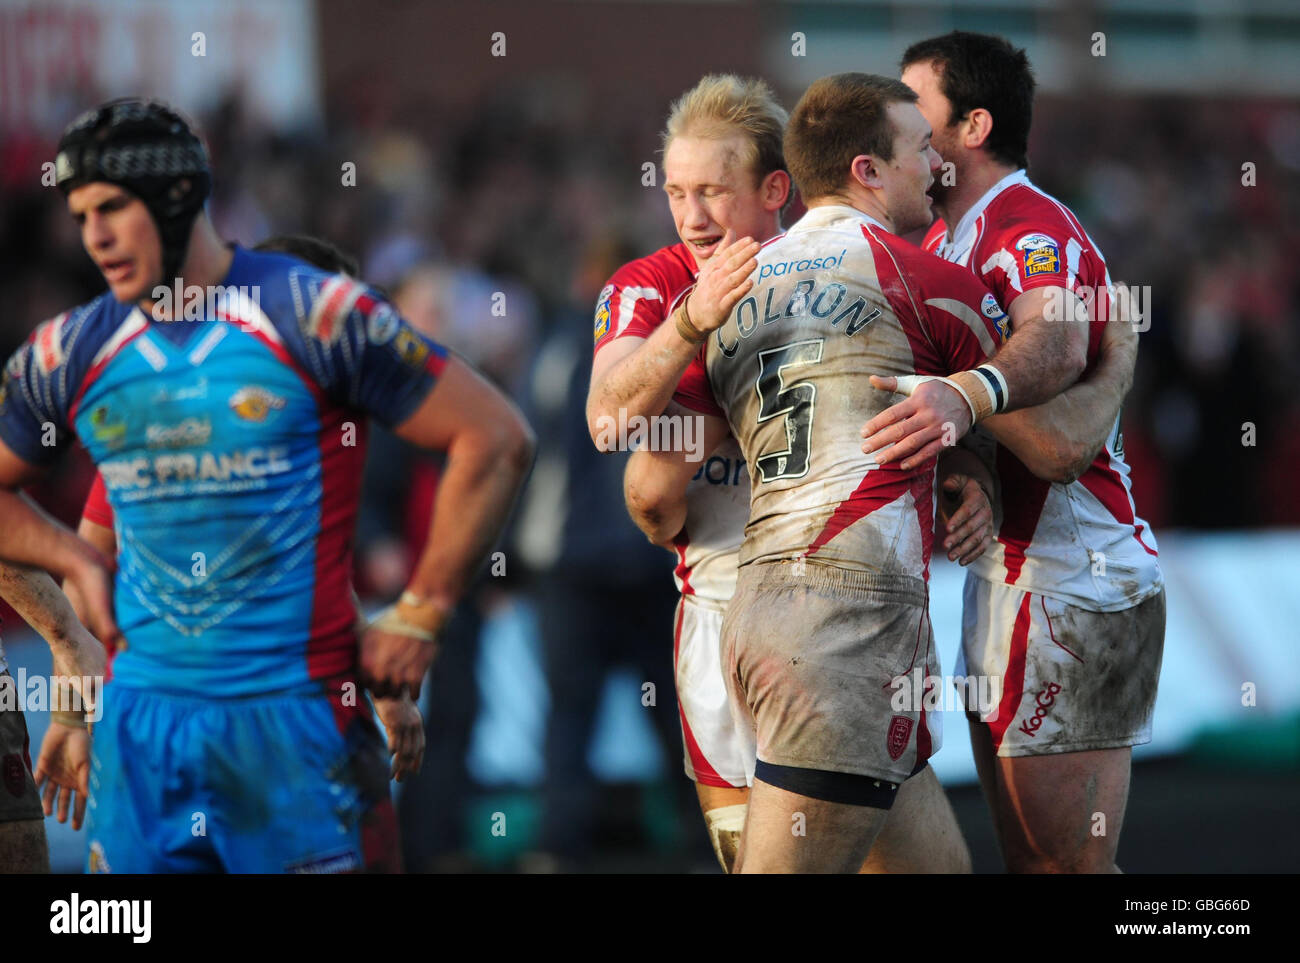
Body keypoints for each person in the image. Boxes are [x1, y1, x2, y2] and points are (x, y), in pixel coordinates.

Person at [0, 99, 534, 873]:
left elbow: (496, 435)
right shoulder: (76, 346)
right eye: (81, 216)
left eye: (112, 208)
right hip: (142, 736)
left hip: (292, 731)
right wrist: (73, 575)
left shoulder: (314, 319)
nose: (95, 237)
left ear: (180, 195)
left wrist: (420, 614)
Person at [625, 73, 1019, 872]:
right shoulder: (928, 280)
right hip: (845, 619)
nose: (936, 166)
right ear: (868, 170)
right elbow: (1043, 426)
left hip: (744, 614)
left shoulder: (711, 299)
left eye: (710, 191)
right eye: (920, 150)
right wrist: (987, 454)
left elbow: (647, 483)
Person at [873, 31, 1164, 873]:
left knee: (1067, 868)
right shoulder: (942, 242)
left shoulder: (1031, 228)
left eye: (916, 107)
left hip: (1075, 580)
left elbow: (1058, 410)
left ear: (973, 126)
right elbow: (983, 428)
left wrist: (956, 390)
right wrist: (966, 475)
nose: (899, 125)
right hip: (1005, 577)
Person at [36, 235, 427, 842]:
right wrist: (70, 713)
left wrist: (70, 714)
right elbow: (82, 577)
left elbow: (309, 576)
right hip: (207, 729)